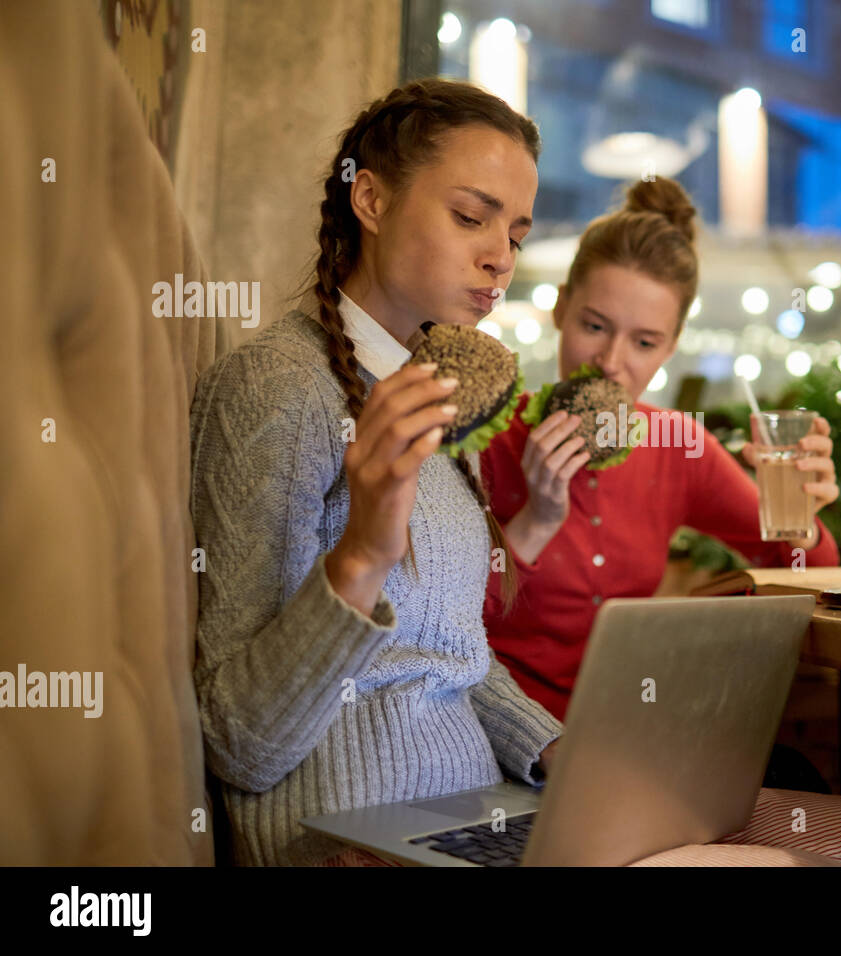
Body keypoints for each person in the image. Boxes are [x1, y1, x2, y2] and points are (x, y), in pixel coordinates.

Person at [479, 178, 841, 865]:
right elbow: (443, 625)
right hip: (509, 761)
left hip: (638, 765)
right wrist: (536, 521)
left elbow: (809, 573)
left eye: (645, 341)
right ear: (559, 309)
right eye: (594, 325)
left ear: (673, 345)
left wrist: (799, 515)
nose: (611, 362)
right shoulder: (490, 437)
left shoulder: (673, 446)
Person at [190, 78, 562, 866]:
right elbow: (238, 741)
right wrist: (361, 555)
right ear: (371, 200)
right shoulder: (275, 390)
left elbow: (449, 656)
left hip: (477, 818)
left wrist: (558, 755)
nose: (500, 257)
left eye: (517, 234)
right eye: (471, 216)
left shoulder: (429, 397)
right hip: (340, 840)